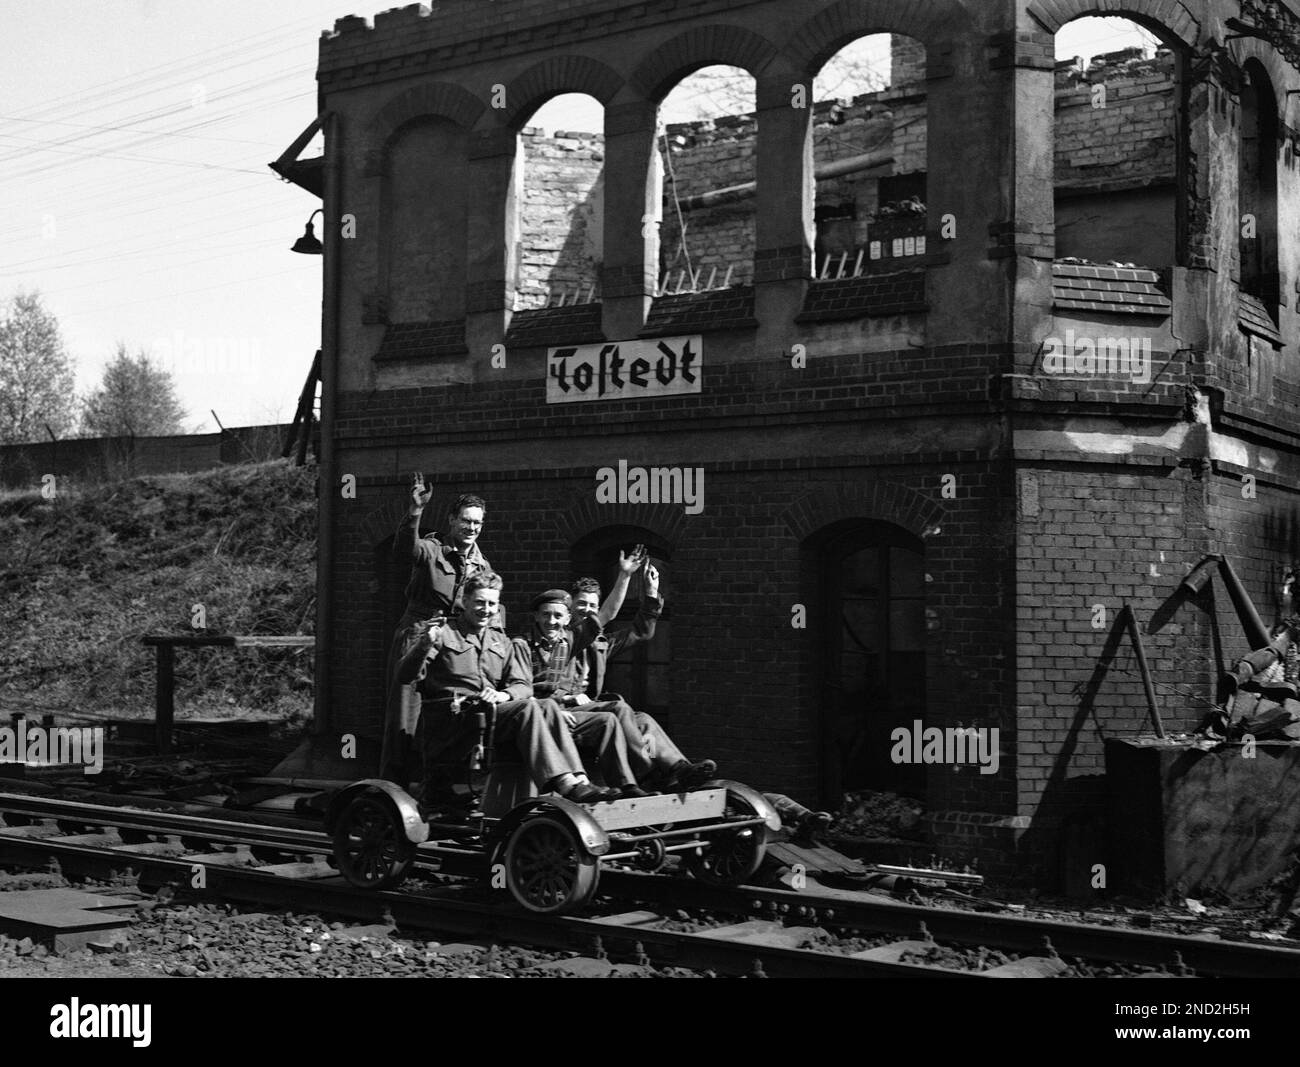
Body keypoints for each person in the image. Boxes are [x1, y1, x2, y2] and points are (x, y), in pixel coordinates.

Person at [396, 571, 621, 805]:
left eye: (492, 603)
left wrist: (503, 694)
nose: (486, 609)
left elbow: (523, 685)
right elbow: (405, 675)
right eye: (480, 602)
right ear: (465, 601)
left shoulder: (500, 641)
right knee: (527, 709)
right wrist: (424, 644)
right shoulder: (442, 633)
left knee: (543, 705)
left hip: (488, 719)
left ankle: (579, 780)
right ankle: (564, 782)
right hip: (452, 724)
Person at [521, 571, 715, 793]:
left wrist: (651, 594)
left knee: (643, 722)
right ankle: (646, 772)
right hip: (565, 711)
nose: (587, 610)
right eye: (581, 604)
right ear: (569, 608)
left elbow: (640, 631)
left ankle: (676, 767)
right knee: (618, 708)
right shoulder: (560, 640)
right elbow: (543, 687)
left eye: (592, 605)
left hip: (593, 710)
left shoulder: (600, 643)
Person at [381, 477, 493, 786]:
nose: (471, 528)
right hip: (418, 634)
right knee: (405, 716)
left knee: (444, 715)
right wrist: (416, 510)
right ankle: (394, 787)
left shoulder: (483, 568)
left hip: (454, 645)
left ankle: (430, 787)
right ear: (452, 520)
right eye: (466, 521)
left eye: (477, 523)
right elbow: (405, 549)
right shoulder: (432, 550)